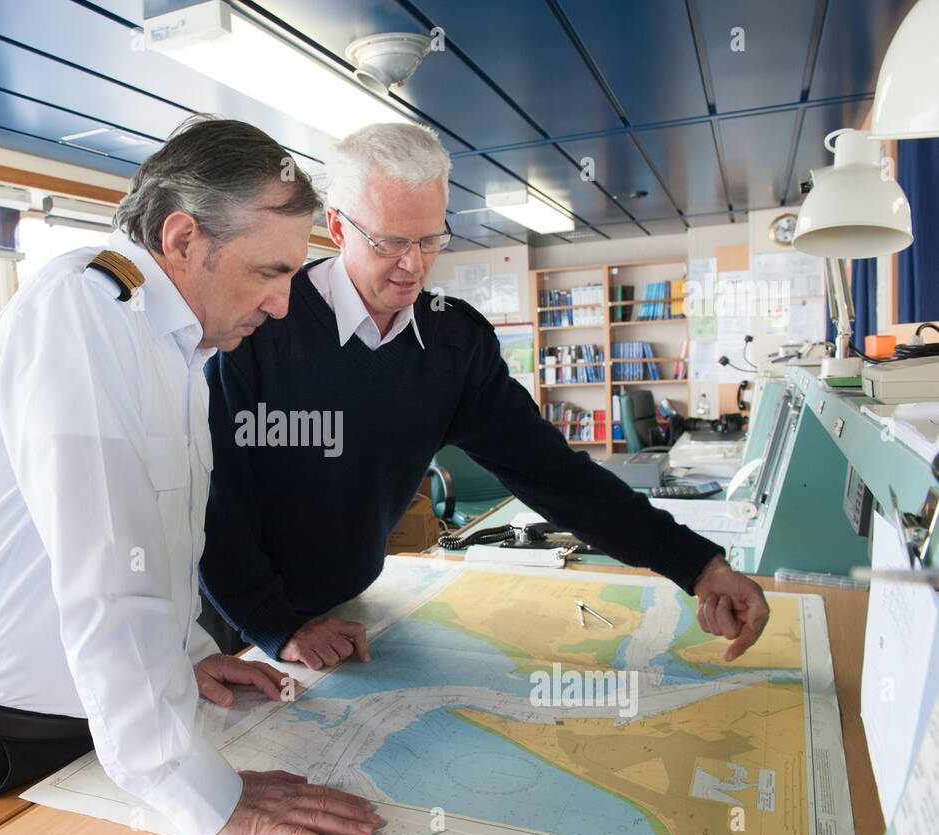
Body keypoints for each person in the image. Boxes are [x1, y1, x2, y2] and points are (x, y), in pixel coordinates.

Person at [0, 117, 381, 835]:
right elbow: (105, 579)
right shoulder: (87, 308)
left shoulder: (170, 341)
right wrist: (213, 801)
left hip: (94, 722)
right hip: (7, 742)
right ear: (184, 239)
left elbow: (156, 546)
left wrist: (186, 653)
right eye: (269, 273)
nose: (284, 305)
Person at [198, 122, 770, 669]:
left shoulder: (453, 343)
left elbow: (554, 475)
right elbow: (213, 500)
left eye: (430, 239)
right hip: (243, 621)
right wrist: (277, 625)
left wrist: (697, 564)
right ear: (339, 228)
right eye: (392, 241)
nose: (413, 266)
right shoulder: (256, 326)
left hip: (350, 606)